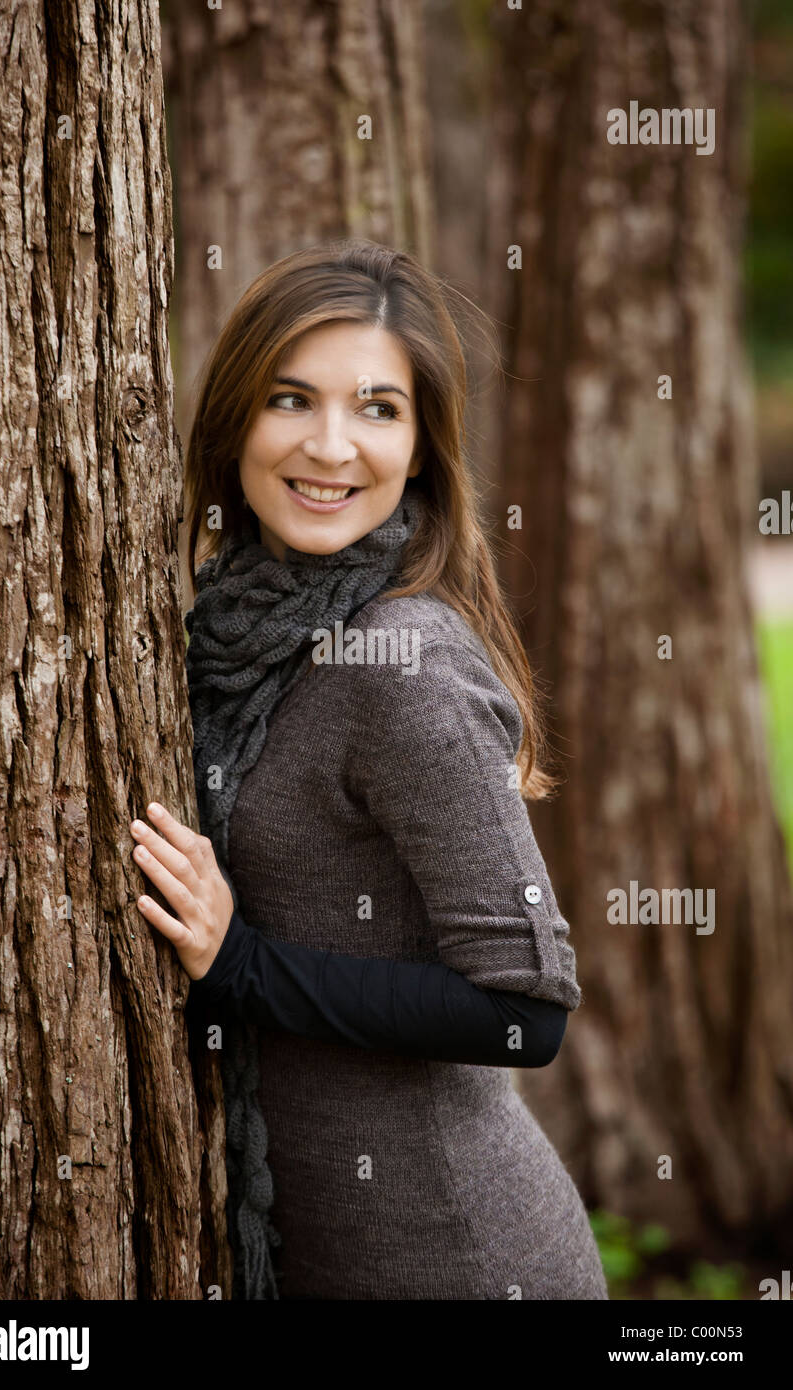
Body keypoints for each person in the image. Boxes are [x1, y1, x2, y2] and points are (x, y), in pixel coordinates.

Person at [130, 238, 609, 1301]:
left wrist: (241, 965)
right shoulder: (238, 630)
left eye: (378, 409)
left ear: (422, 449)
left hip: (452, 1260)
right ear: (235, 419)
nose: (331, 445)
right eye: (290, 398)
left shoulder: (404, 663)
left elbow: (526, 1009)